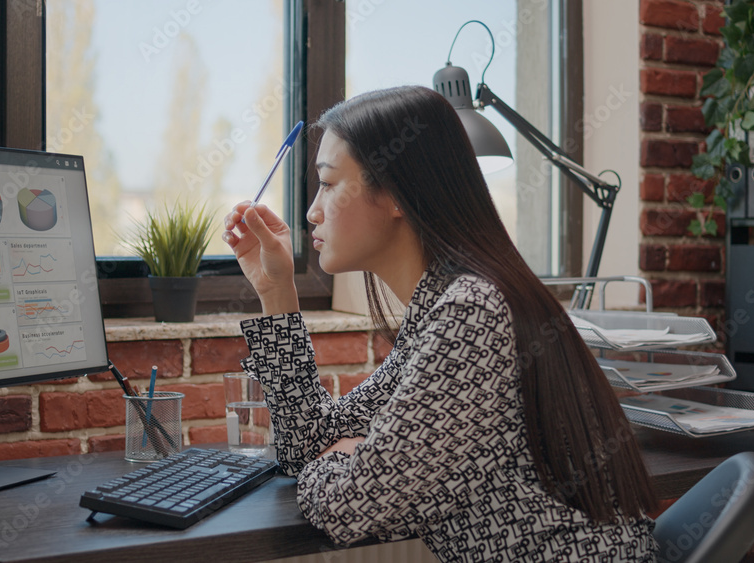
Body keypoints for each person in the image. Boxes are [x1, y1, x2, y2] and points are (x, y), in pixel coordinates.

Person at [222, 85, 658, 562]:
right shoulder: (440, 309)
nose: (311, 212)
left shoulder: (473, 310)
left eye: (328, 184)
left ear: (395, 196)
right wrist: (276, 293)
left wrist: (345, 458)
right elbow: (307, 442)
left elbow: (351, 506)